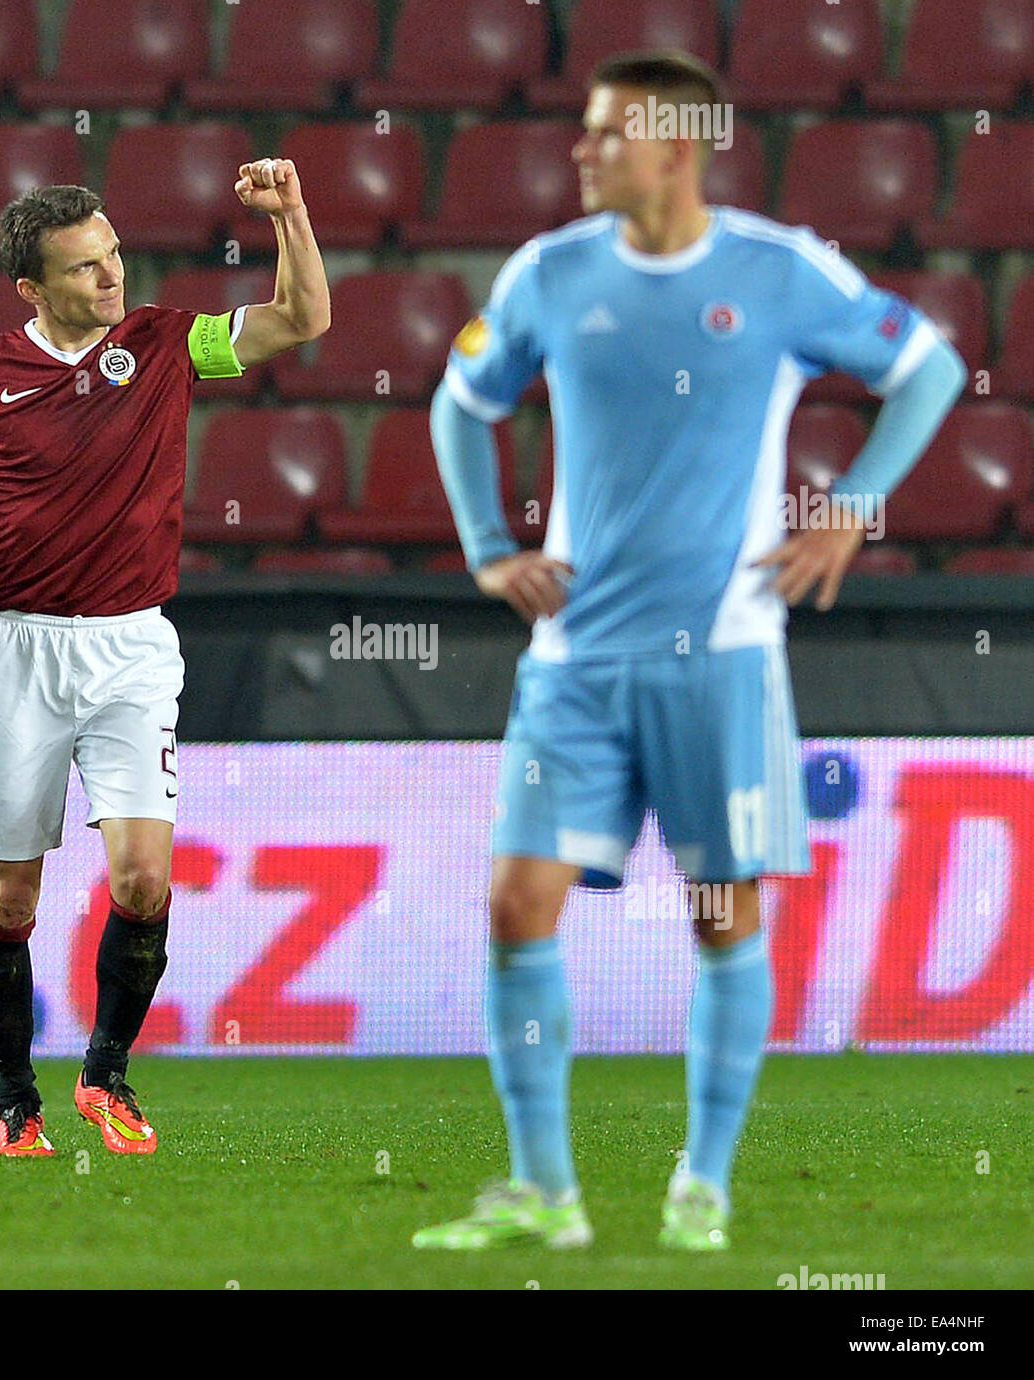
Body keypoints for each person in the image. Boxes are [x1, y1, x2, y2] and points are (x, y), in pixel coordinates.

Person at [418, 51, 966, 1249]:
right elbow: (461, 404)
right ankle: (543, 1193)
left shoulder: (778, 271)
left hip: (719, 657)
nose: (580, 151)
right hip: (572, 659)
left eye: (605, 133)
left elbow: (927, 368)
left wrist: (851, 505)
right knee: (517, 907)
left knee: (722, 915)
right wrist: (483, 549)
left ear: (675, 146)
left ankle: (701, 1184)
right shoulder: (546, 275)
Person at [0, 162, 330, 1156]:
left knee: (145, 878)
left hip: (131, 646)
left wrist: (290, 216)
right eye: (85, 268)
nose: (111, 278)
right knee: (8, 897)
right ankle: (14, 1106)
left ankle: (105, 1077)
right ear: (32, 288)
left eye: (113, 257)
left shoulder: (165, 342)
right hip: (18, 650)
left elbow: (299, 321)